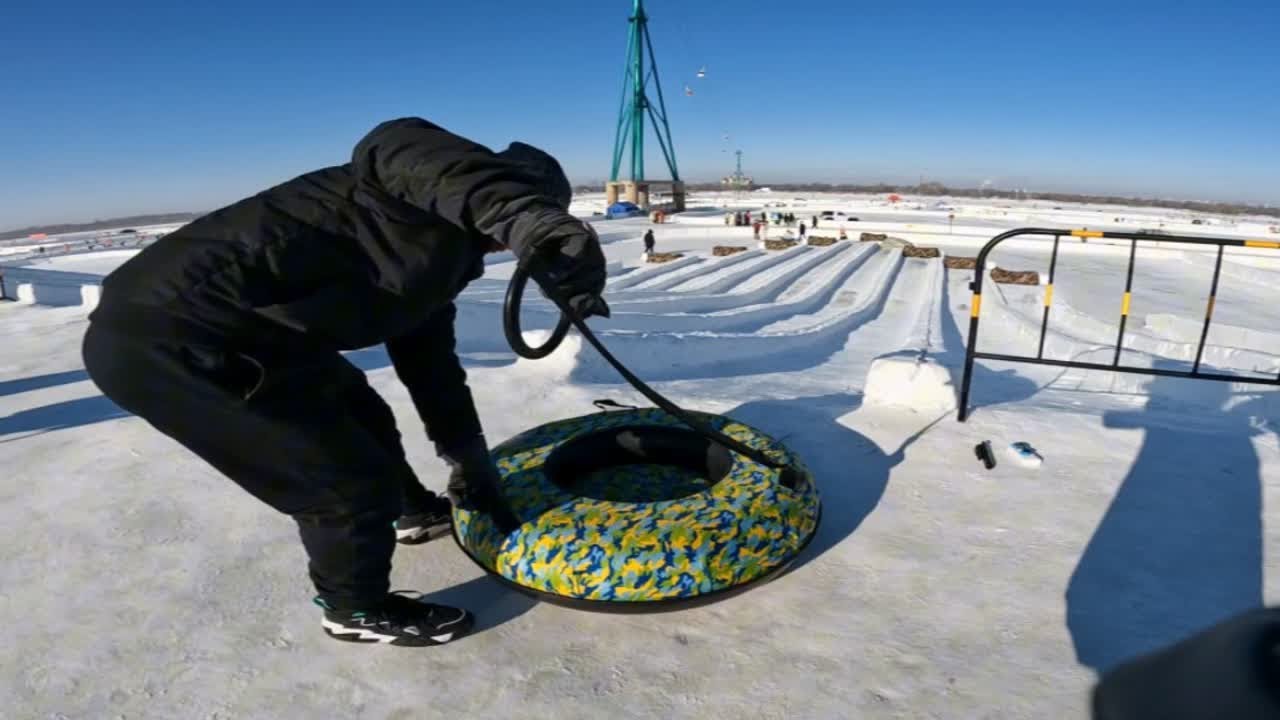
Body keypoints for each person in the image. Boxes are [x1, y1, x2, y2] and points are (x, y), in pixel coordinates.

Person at [81, 117, 609, 648]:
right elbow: (400, 142)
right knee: (342, 483)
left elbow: (433, 371)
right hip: (168, 338)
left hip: (263, 337)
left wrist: (467, 459)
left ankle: (411, 513)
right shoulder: (399, 176)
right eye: (512, 212)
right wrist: (528, 216)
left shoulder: (443, 262)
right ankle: (355, 609)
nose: (502, 247)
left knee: (364, 415)